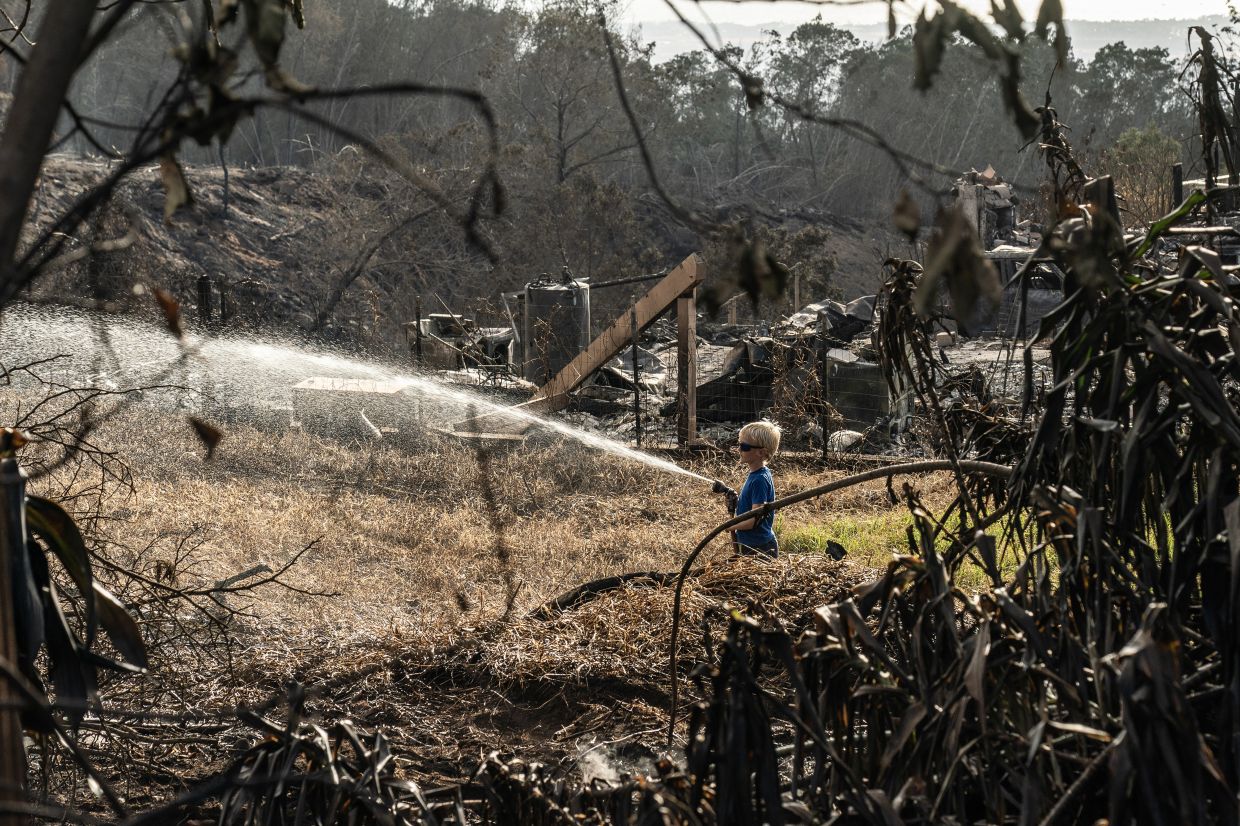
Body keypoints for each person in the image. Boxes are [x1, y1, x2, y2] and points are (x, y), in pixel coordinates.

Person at [728, 419, 781, 558]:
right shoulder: (757, 474)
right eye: (739, 444)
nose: (739, 449)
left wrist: (731, 526)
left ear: (761, 453)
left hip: (760, 548)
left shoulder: (759, 480)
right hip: (751, 544)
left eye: (744, 447)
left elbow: (754, 520)